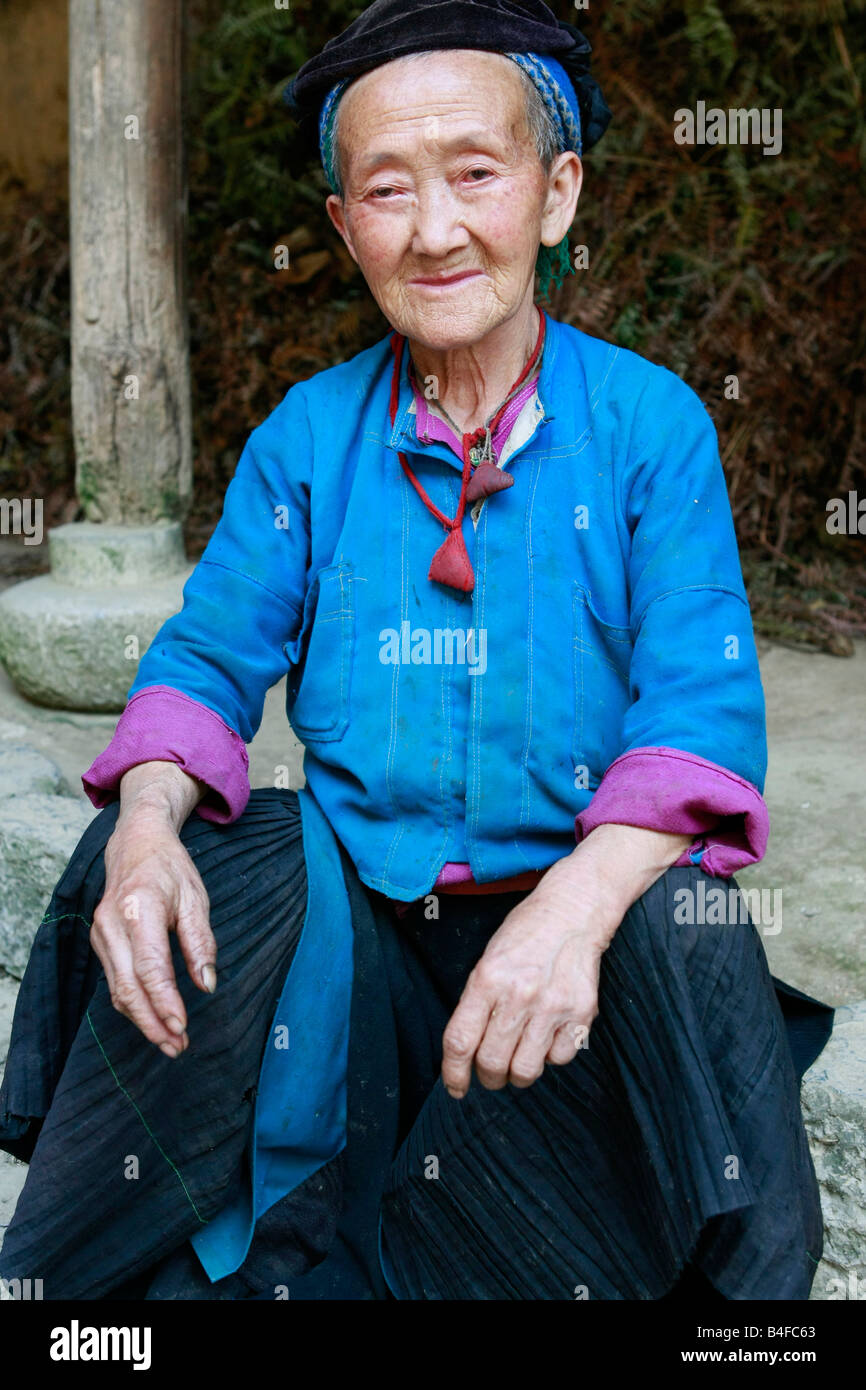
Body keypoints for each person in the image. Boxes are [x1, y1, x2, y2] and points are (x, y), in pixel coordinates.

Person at [0, 0, 832, 1301]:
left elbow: (697, 711)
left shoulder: (648, 428)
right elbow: (205, 663)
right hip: (361, 945)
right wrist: (152, 824)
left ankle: (733, 1311)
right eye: (386, 189)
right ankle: (98, 1289)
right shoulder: (307, 437)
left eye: (475, 175)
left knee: (687, 903)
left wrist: (571, 904)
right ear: (343, 227)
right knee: (181, 839)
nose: (433, 229)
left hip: (569, 944)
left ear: (555, 196)